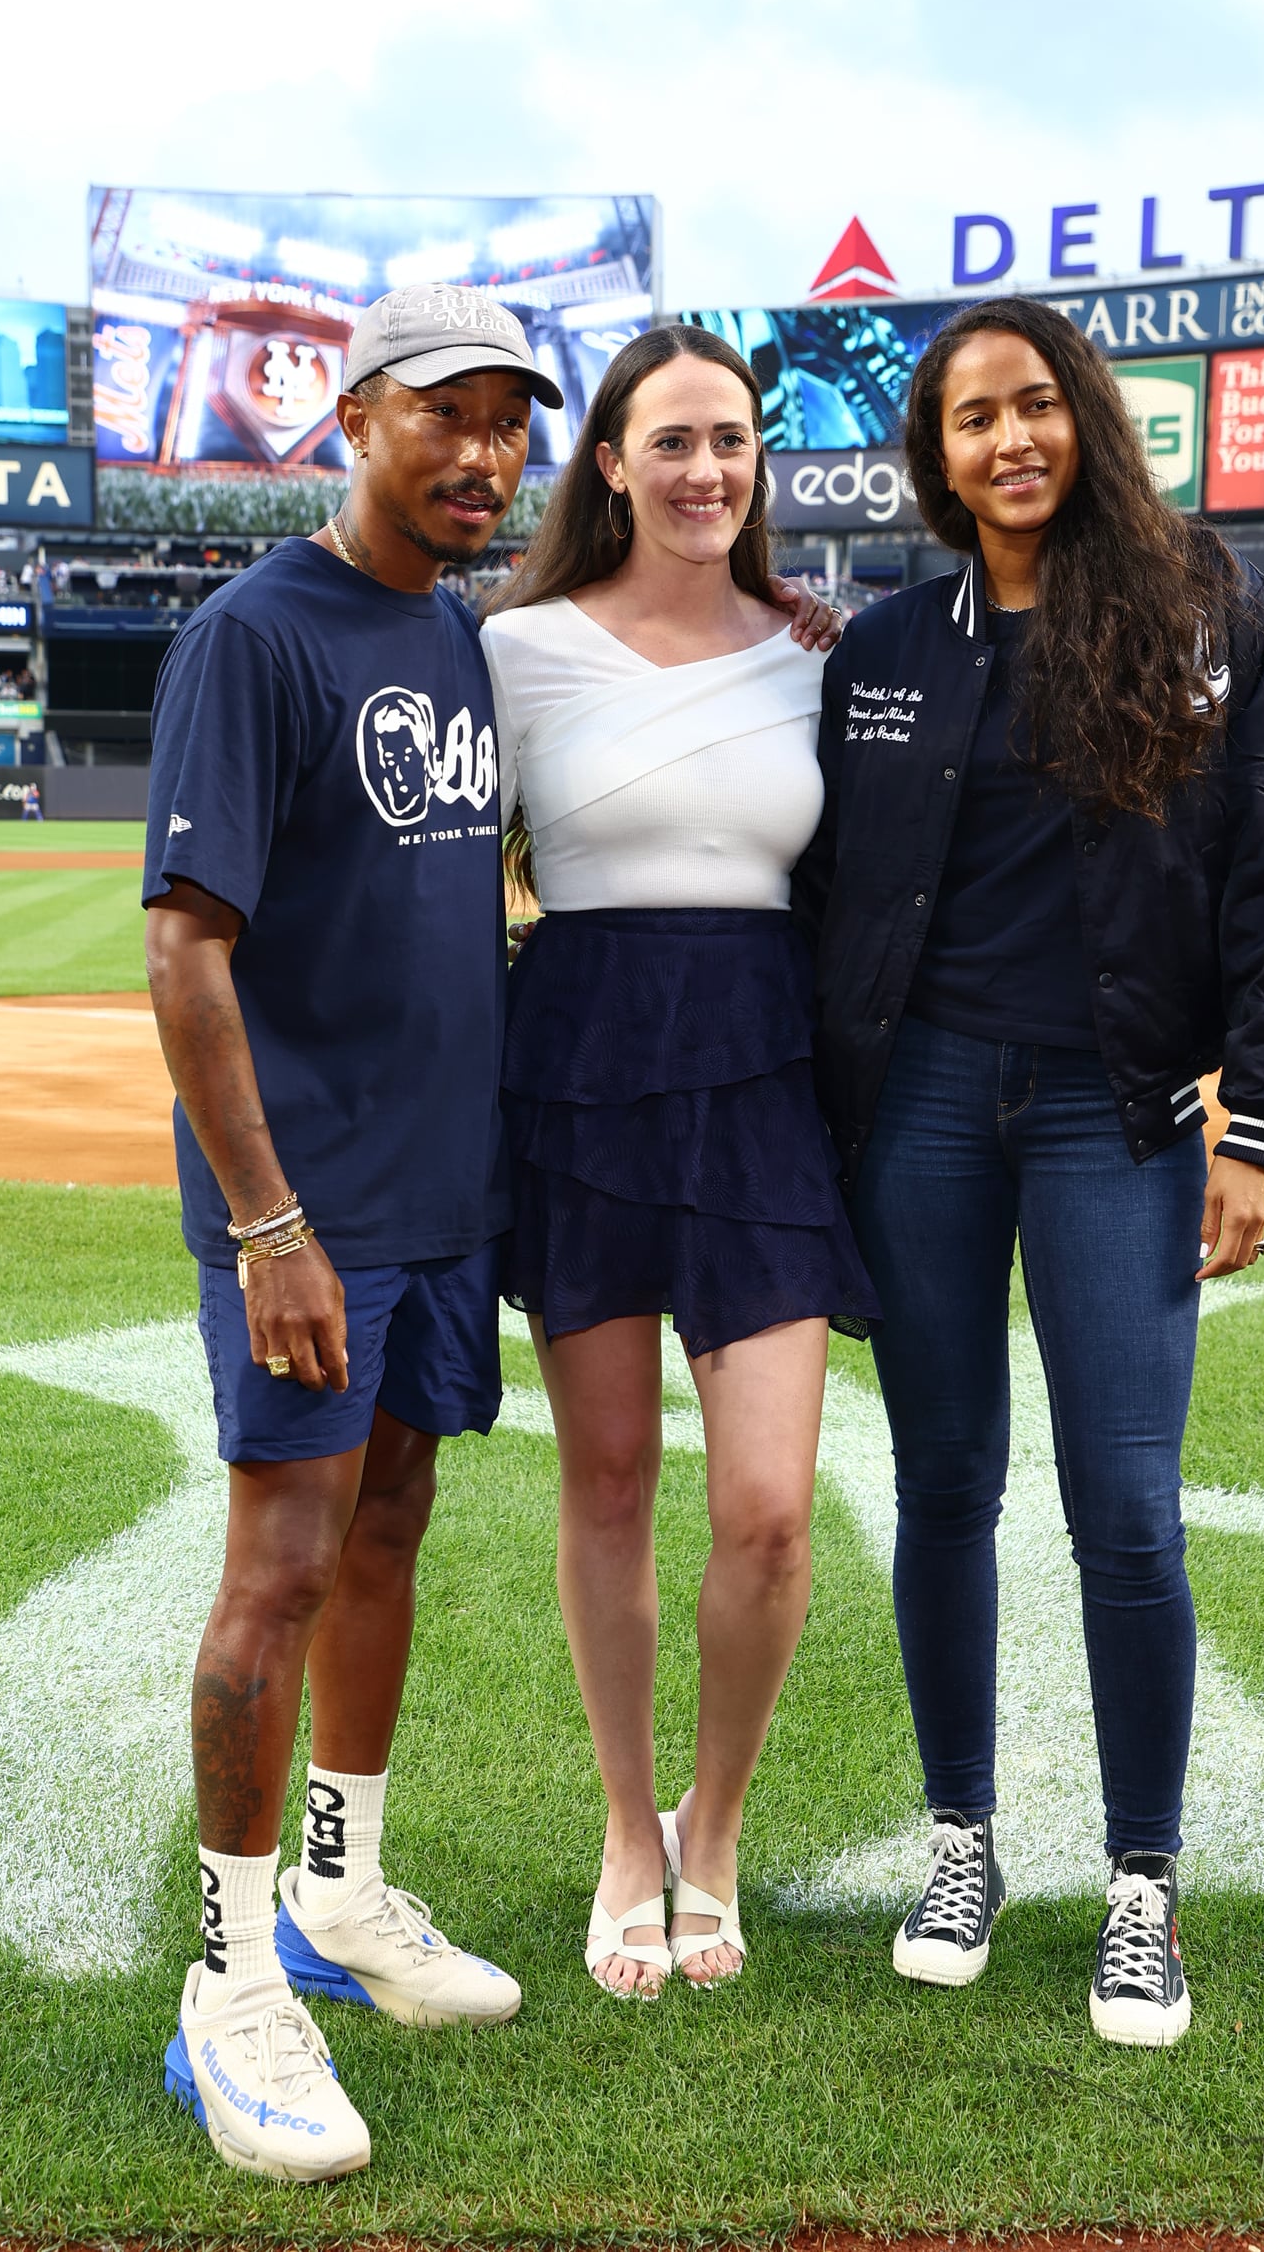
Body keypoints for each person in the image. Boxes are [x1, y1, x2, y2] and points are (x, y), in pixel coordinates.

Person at [144, 286, 838, 2180]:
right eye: (442, 417)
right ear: (351, 420)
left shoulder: (462, 640)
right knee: (277, 1564)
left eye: (505, 425)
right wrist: (269, 1215)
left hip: (452, 1194)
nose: (479, 454)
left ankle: (346, 1897)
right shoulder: (253, 632)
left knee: (388, 1530)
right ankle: (230, 1980)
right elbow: (184, 942)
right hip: (314, 1204)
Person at [793, 296, 1264, 2049]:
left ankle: (1142, 1884)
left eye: (1034, 405)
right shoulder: (880, 646)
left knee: (1129, 1508)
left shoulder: (1210, 606)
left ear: (1086, 417)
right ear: (934, 456)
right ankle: (964, 1838)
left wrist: (1257, 1121)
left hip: (1122, 1117)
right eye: (971, 419)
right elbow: (813, 901)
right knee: (944, 1483)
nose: (1009, 440)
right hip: (927, 1112)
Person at [481, 325, 876, 2000]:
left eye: (732, 439)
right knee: (613, 1480)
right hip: (578, 1067)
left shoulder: (820, 654)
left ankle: (713, 1828)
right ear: (614, 464)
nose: (705, 468)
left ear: (757, 462)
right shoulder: (510, 647)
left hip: (765, 1076)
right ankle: (626, 1834)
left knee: (770, 1509)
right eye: (672, 440)